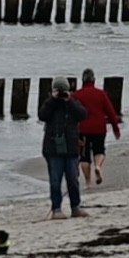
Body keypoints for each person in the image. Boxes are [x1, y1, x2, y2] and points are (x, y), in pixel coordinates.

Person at [38, 77, 89, 219]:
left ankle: (75, 208)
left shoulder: (73, 103)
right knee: (55, 180)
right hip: (53, 148)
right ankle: (57, 209)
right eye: (58, 90)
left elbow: (83, 114)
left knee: (73, 179)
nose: (61, 94)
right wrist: (52, 100)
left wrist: (70, 101)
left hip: (71, 147)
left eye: (63, 91)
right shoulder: (49, 104)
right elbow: (42, 115)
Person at [71, 70, 122, 188]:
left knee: (84, 156)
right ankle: (98, 166)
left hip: (83, 129)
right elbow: (111, 112)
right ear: (94, 80)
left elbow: (71, 114)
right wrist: (116, 129)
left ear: (82, 80)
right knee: (99, 150)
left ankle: (88, 182)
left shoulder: (76, 95)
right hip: (99, 127)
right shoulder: (101, 94)